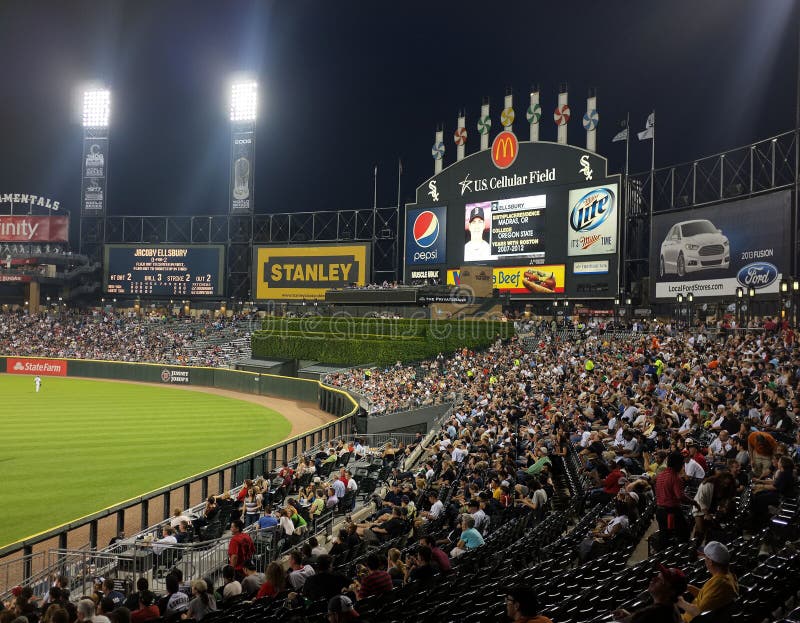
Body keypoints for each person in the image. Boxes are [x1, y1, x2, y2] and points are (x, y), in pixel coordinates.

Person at [677, 542, 738, 621]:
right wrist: (689, 587)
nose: (704, 560)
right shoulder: (729, 576)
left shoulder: (719, 583)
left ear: (710, 562)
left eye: (705, 558)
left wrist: (679, 601)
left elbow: (699, 613)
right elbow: (707, 597)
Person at [613, 565, 688, 623]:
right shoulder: (672, 609)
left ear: (672, 591)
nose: (653, 579)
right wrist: (631, 617)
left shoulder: (654, 614)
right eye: (657, 576)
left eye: (660, 580)